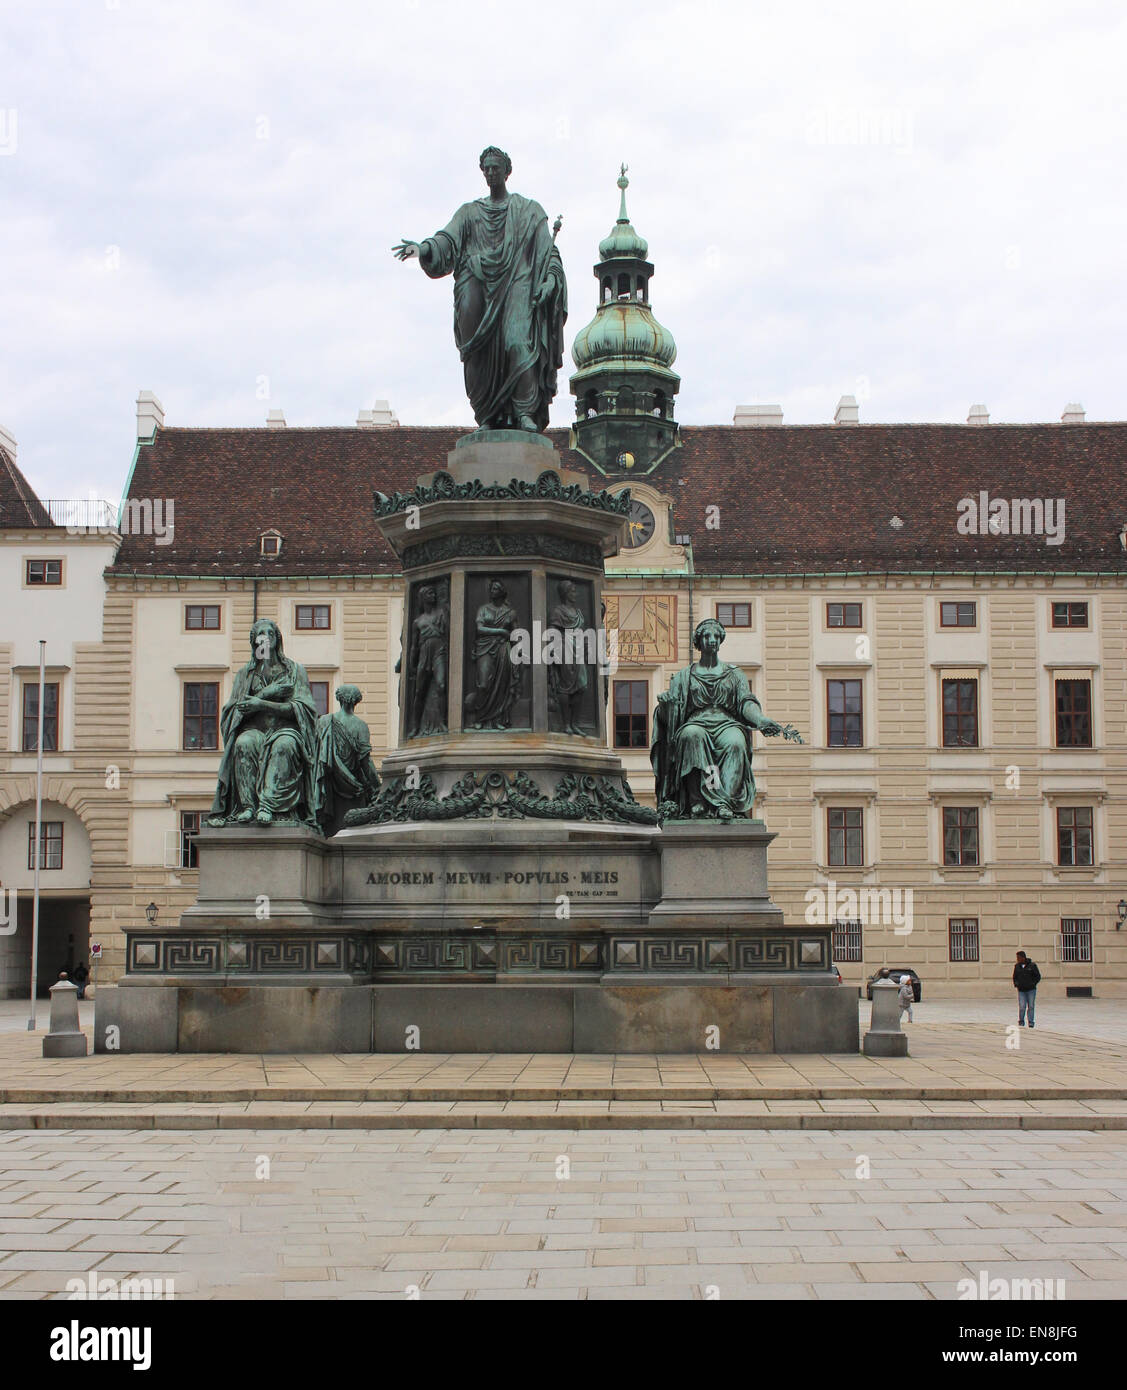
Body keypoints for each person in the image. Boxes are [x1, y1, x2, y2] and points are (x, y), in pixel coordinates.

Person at [392, 146, 566, 433]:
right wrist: (422, 249)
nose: (490, 173)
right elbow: (446, 240)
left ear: (507, 171)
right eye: (486, 168)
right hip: (477, 287)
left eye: (496, 167)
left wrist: (550, 279)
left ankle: (524, 412)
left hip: (517, 286)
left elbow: (549, 254)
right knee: (477, 355)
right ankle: (486, 414)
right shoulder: (469, 213)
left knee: (517, 343)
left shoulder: (529, 212)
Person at [1013, 950, 1041, 1027]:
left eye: (1019, 958)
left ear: (1023, 957)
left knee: (1031, 1006)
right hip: (1021, 990)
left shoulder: (1032, 965)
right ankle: (1021, 1021)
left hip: (1031, 990)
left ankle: (1031, 1022)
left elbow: (1038, 976)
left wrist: (1033, 983)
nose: (1017, 959)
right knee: (1022, 1006)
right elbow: (1015, 977)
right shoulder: (1017, 966)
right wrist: (1017, 984)